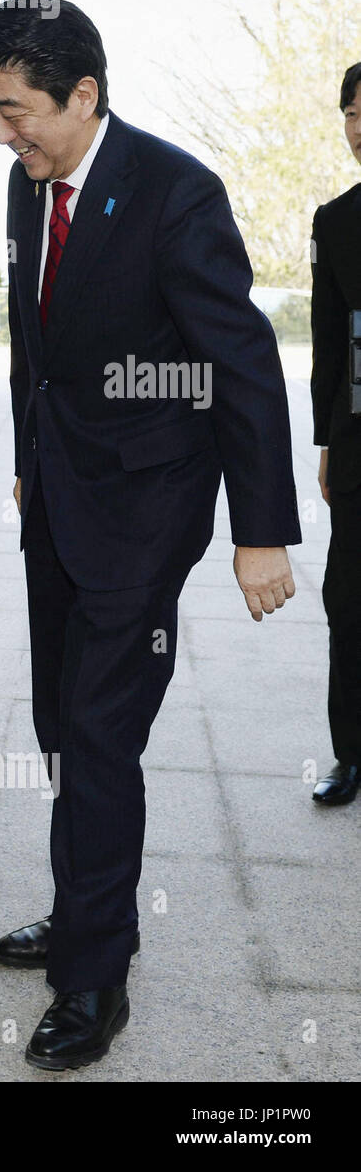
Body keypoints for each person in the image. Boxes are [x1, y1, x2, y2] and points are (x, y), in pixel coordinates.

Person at [0, 0, 301, 1069]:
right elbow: (34, 342)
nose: (2, 132)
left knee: (101, 737)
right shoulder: (30, 190)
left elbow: (240, 361)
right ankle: (81, 909)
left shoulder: (173, 193)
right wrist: (24, 461)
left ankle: (92, 977)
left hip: (144, 509)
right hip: (59, 496)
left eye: (16, 110)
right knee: (62, 724)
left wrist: (261, 531)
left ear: (84, 95)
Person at [309, 62, 361, 806]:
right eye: (352, 112)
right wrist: (326, 440)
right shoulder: (336, 220)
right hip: (357, 443)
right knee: (347, 599)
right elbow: (329, 342)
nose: (360, 128)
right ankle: (350, 753)